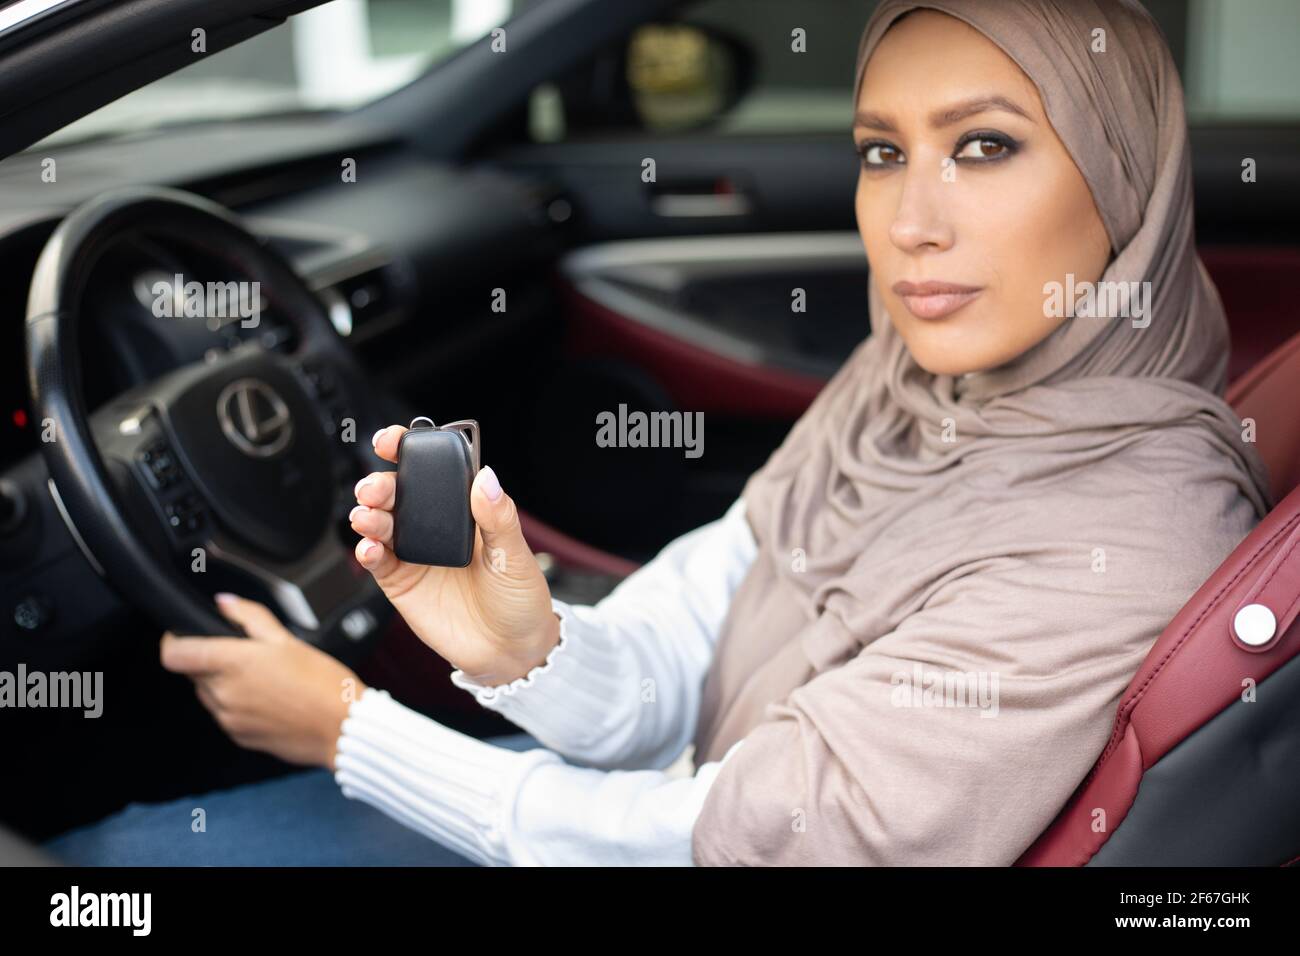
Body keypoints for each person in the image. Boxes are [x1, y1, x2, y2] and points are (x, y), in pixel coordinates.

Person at [45, 0, 1272, 866]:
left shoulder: (1119, 538)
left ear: (1122, 179)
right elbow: (713, 591)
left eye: (985, 146)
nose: (908, 221)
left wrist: (351, 732)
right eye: (882, 153)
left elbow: (749, 838)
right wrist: (531, 648)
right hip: (652, 797)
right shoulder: (918, 376)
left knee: (108, 855)